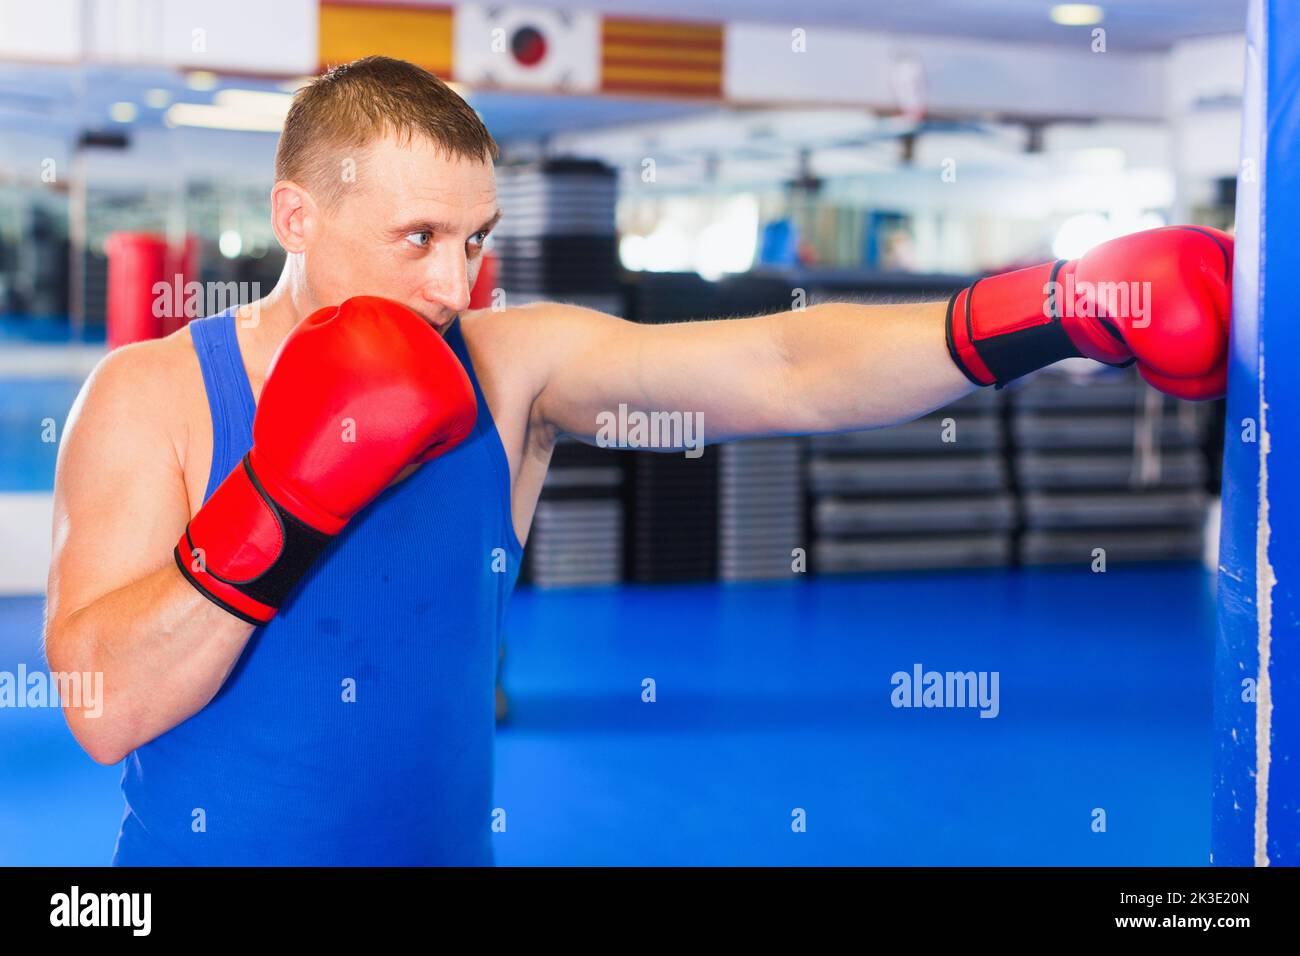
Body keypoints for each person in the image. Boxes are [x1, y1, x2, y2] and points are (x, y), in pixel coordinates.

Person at [43, 56, 1232, 865]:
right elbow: (101, 707)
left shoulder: (505, 369)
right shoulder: (153, 396)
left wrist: (1048, 308)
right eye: (416, 240)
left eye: (474, 241)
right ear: (296, 215)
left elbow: (783, 365)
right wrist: (279, 499)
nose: (454, 286)